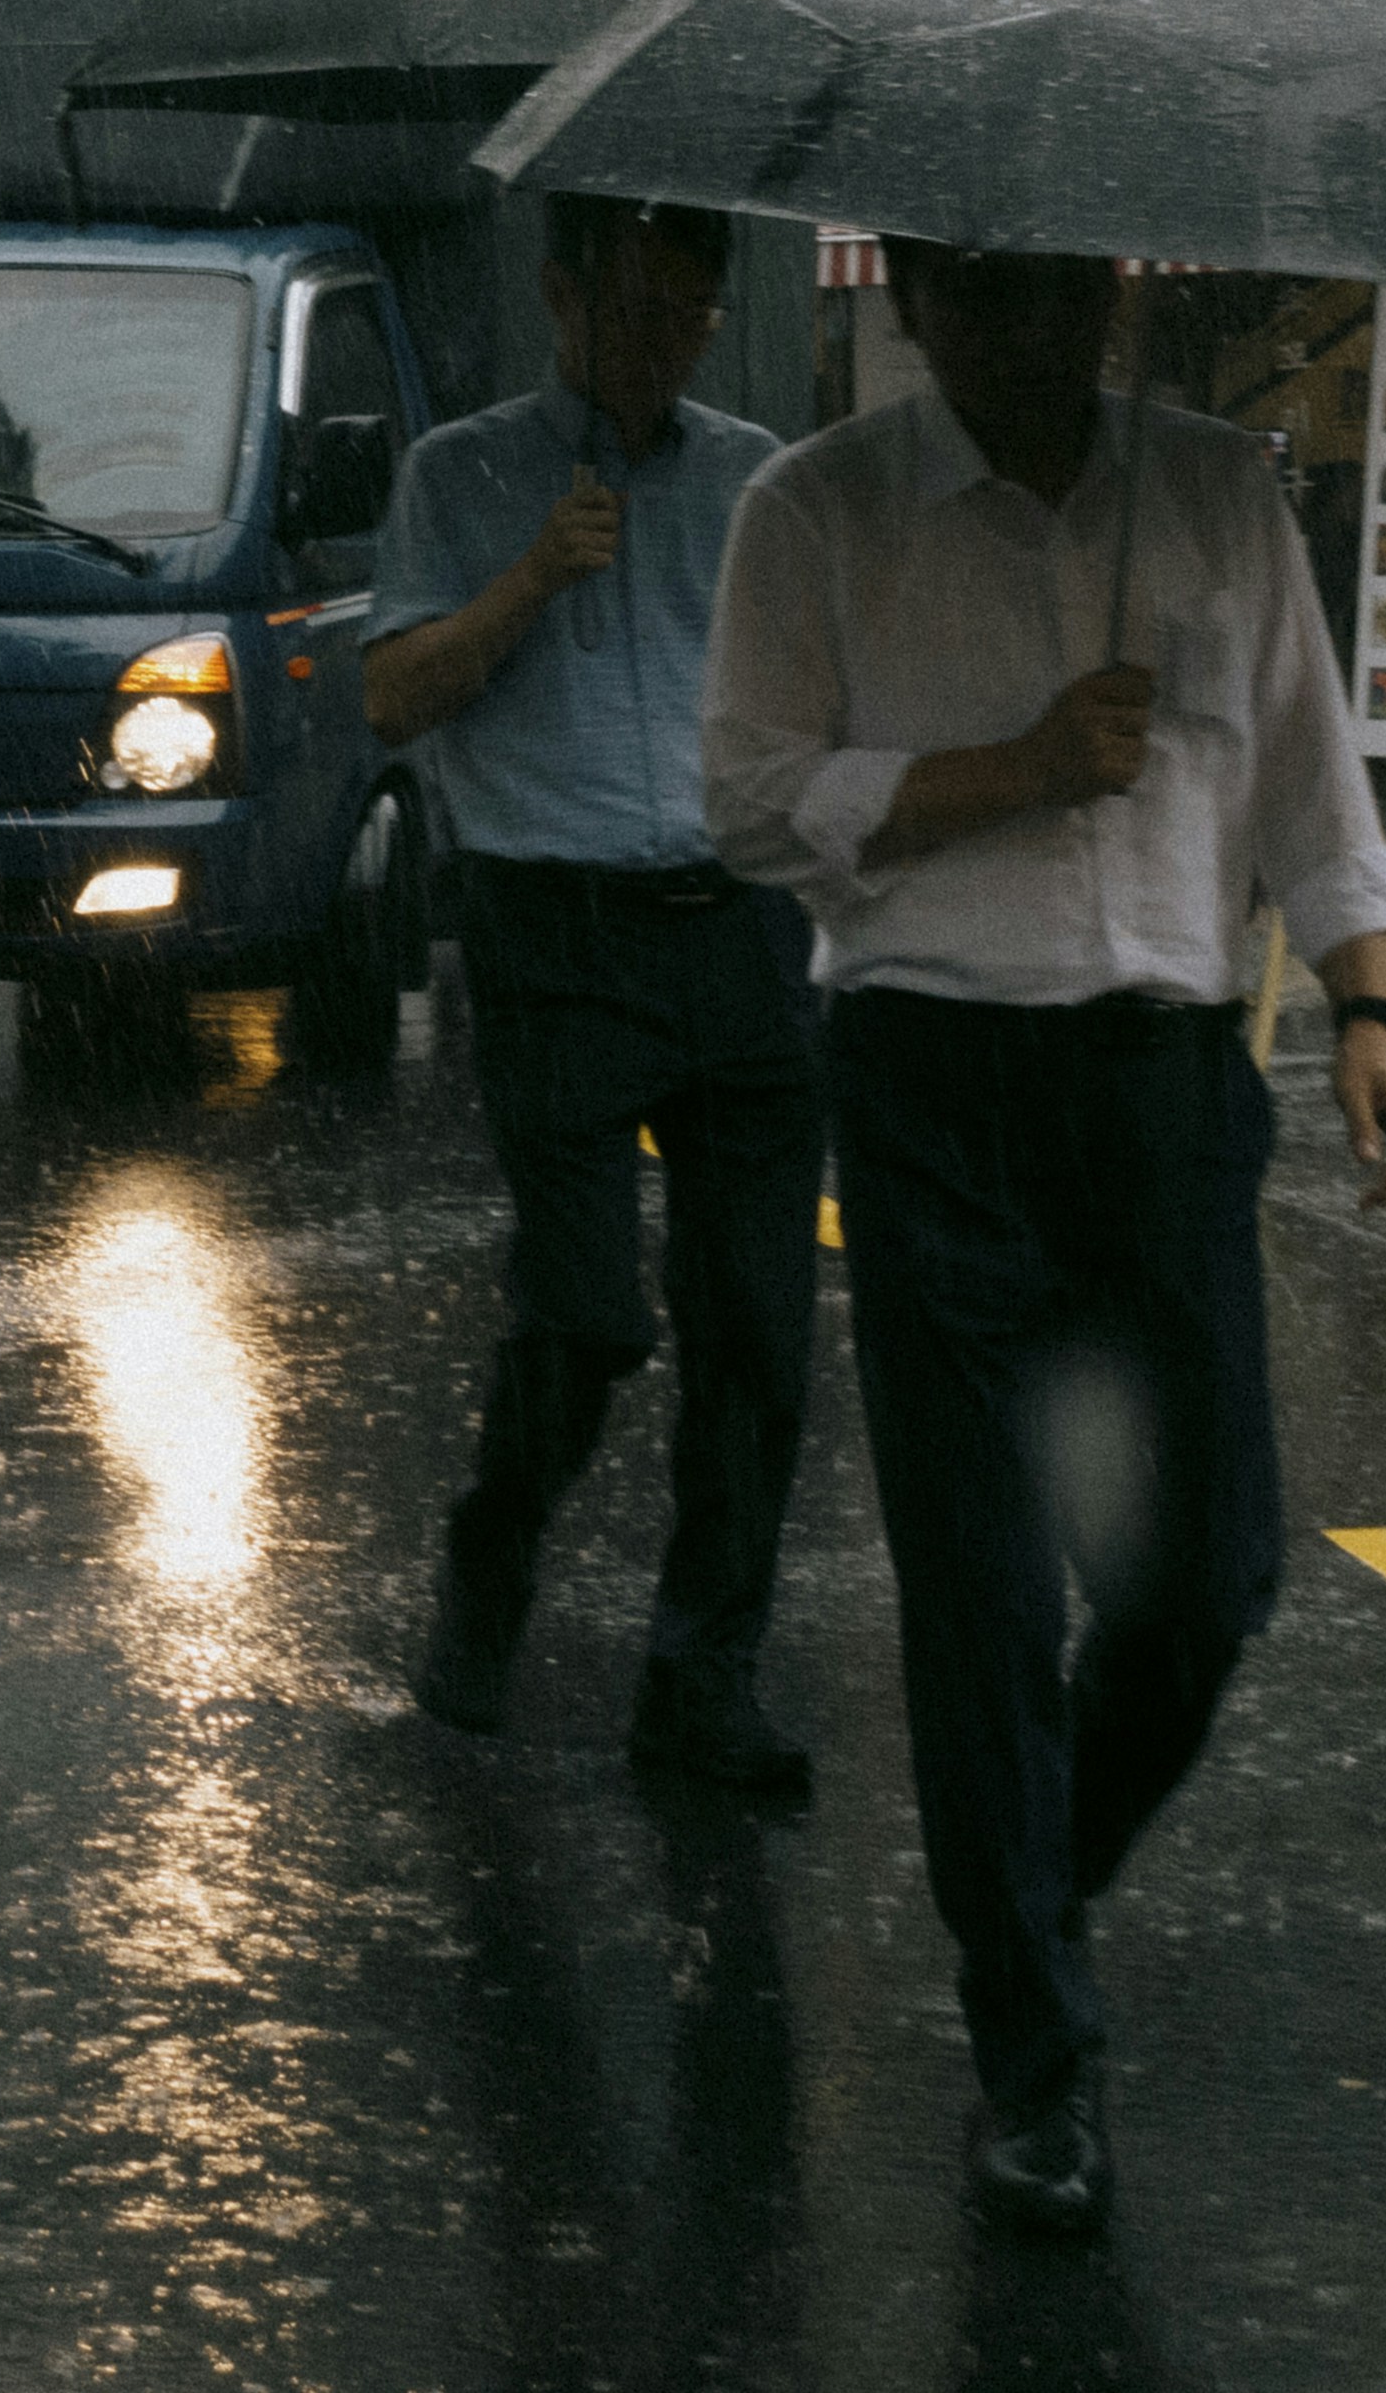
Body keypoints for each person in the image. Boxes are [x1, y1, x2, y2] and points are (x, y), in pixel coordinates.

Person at [705, 237, 1386, 2241]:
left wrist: (1370, 1011)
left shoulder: (1210, 495)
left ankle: (1030, 1891)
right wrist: (1004, 772)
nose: (1023, 332)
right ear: (919, 304)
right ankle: (1033, 2057)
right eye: (977, 297)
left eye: (1057, 295)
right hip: (931, 1085)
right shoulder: (814, 512)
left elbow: (1305, 786)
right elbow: (747, 804)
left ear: (1110, 295)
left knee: (1202, 1580)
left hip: (1164, 1094)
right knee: (975, 1593)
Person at [367, 198, 828, 1798]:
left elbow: (809, 692)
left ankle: (704, 1676)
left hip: (739, 930)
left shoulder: (756, 478)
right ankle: (490, 1562)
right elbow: (388, 695)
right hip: (553, 935)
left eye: (693, 315)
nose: (665, 342)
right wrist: (530, 581)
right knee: (589, 1312)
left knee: (759, 1330)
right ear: (562, 299)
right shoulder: (463, 474)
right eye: (637, 309)